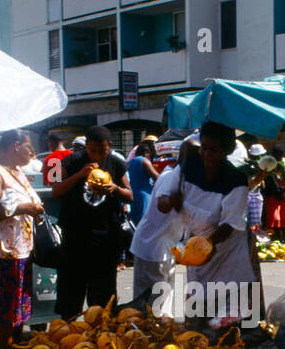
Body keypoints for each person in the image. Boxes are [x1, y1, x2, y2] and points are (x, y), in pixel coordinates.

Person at [174, 122, 260, 325]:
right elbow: (175, 195)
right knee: (196, 310)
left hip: (225, 251)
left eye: (214, 150)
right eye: (204, 148)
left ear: (227, 151)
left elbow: (229, 224)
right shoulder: (191, 167)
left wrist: (205, 246)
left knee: (226, 313)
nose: (207, 155)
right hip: (196, 250)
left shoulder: (235, 179)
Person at [0, 129, 45, 349]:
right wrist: (23, 208)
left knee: (18, 305)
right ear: (15, 146)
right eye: (28, 146)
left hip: (20, 250)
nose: (32, 151)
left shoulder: (16, 172)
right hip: (2, 254)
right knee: (5, 308)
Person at [51, 126, 131, 318]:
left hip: (105, 241)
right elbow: (55, 191)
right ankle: (68, 335)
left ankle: (101, 337)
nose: (96, 155)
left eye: (101, 151)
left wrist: (115, 188)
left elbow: (130, 195)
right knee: (70, 296)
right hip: (74, 240)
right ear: (85, 146)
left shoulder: (116, 163)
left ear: (109, 147)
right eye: (92, 150)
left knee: (103, 299)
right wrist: (79, 175)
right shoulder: (69, 161)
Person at [130, 139, 193, 306]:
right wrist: (182, 200)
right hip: (152, 247)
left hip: (164, 246)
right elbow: (163, 204)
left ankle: (159, 328)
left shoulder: (179, 175)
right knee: (148, 305)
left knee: (163, 302)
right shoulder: (174, 176)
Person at [128, 136, 159, 227]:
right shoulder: (144, 160)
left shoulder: (130, 162)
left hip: (133, 197)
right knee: (145, 225)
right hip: (143, 197)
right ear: (146, 153)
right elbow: (157, 178)